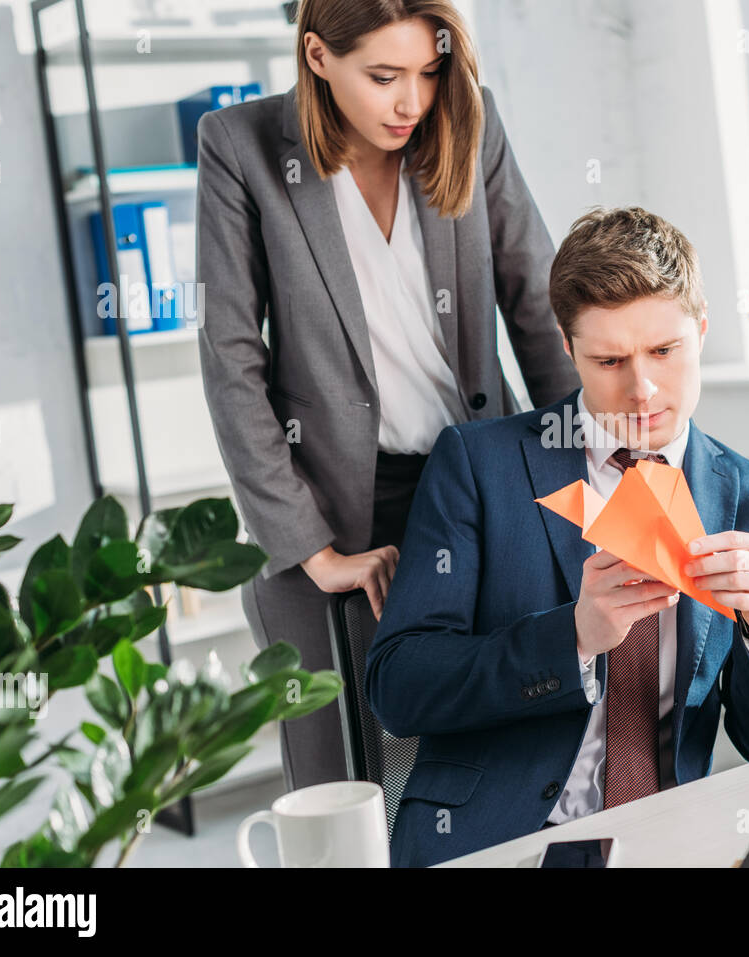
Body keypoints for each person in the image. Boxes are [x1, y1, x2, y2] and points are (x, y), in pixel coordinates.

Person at [366, 206, 749, 867]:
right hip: (500, 840)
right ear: (566, 346)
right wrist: (572, 636)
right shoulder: (478, 464)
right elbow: (398, 687)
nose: (641, 390)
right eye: (609, 359)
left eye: (664, 351)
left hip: (671, 843)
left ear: (700, 329)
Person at [195, 0, 578, 791]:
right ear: (317, 56)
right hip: (330, 495)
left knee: (504, 752)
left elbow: (537, 304)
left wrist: (595, 462)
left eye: (428, 72)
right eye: (383, 76)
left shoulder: (469, 122)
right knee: (343, 776)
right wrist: (310, 546)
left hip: (477, 478)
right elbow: (230, 353)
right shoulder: (241, 146)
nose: (412, 102)